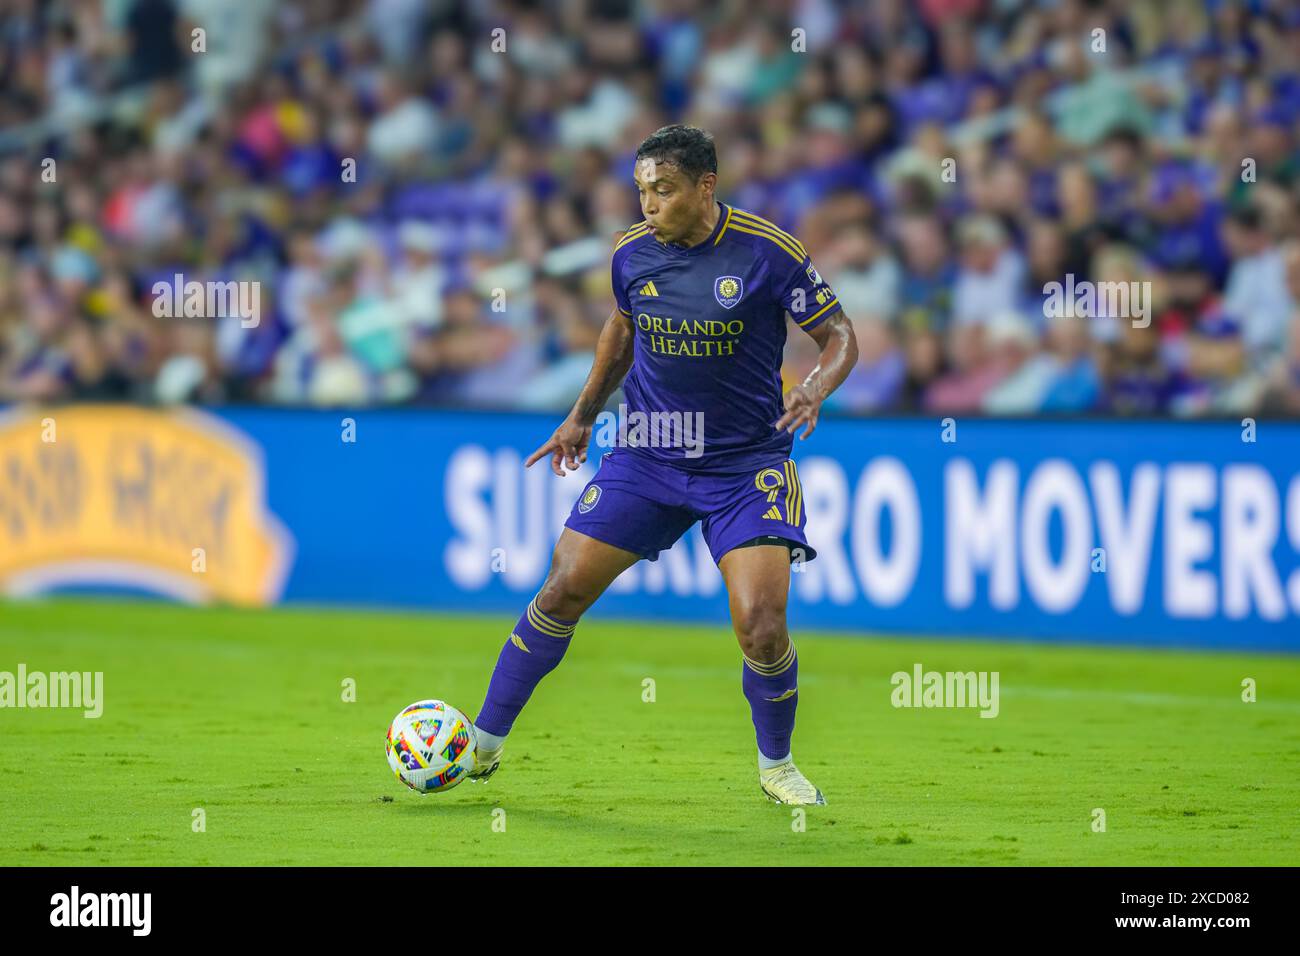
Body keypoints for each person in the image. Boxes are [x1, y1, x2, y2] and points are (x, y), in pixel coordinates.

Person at [468, 125, 858, 805]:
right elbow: (621, 329)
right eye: (642, 189)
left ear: (706, 187)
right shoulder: (631, 254)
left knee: (762, 627)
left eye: (664, 189)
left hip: (744, 465)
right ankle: (483, 743)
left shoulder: (768, 253)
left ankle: (777, 766)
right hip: (647, 451)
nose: (648, 203)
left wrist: (815, 387)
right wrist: (584, 413)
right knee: (561, 589)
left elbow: (840, 337)